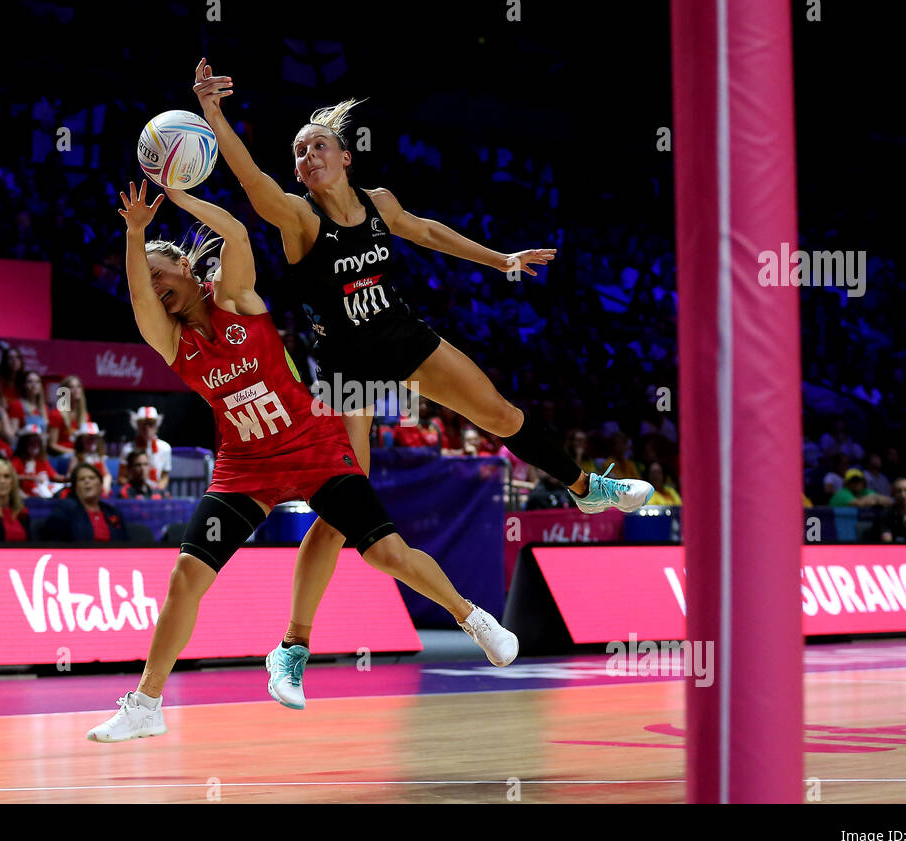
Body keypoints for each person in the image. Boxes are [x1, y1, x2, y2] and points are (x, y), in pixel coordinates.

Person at [191, 58, 651, 664]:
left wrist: (501, 260)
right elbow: (252, 181)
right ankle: (293, 645)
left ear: (346, 156)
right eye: (299, 153)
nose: (307, 158)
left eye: (318, 147)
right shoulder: (299, 218)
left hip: (403, 338)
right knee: (338, 511)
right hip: (345, 374)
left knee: (501, 413)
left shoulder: (379, 202)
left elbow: (428, 233)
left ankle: (585, 486)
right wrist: (214, 115)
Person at [86, 182, 518, 744]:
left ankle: (471, 617)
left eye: (159, 273)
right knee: (186, 577)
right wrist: (136, 232)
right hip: (245, 467)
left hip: (314, 446)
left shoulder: (235, 298)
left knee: (387, 552)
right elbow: (141, 299)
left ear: (189, 271)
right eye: (144, 278)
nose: (152, 285)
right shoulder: (170, 340)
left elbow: (237, 232)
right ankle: (145, 703)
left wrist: (177, 194)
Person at [41, 461, 130, 542]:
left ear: (100, 484)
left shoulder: (113, 512)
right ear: (75, 487)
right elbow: (54, 543)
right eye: (82, 479)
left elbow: (125, 543)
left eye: (91, 478)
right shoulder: (64, 510)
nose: (87, 481)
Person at [117, 406, 171, 492]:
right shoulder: (128, 449)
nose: (147, 428)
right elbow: (121, 478)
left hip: (156, 493)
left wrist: (156, 492)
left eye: (151, 423)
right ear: (137, 425)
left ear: (156, 425)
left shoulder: (165, 448)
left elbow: (165, 477)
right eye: (143, 424)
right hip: (134, 492)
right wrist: (133, 490)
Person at [11, 425, 64, 497]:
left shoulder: (42, 460)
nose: (35, 446)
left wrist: (71, 477)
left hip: (45, 493)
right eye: (31, 443)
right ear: (24, 444)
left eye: (37, 442)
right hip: (26, 496)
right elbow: (11, 476)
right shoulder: (17, 460)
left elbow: (56, 477)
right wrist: (32, 478)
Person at [871, 477, 906, 544]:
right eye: (899, 491)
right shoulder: (884, 516)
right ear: (892, 494)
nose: (903, 495)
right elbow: (886, 541)